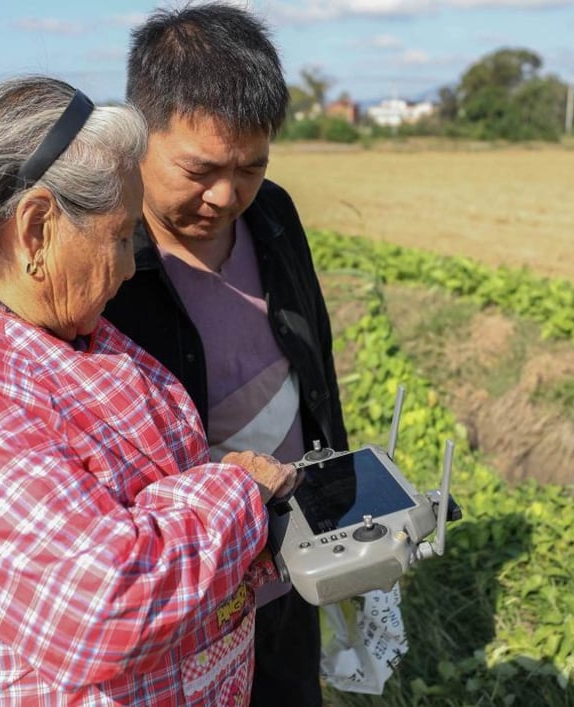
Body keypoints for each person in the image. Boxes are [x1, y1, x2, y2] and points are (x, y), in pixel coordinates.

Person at [0, 75, 299, 705]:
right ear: (36, 228)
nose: (129, 267)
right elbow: (100, 607)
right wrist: (240, 494)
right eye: (120, 237)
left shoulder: (60, 324)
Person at [102, 4, 348, 705]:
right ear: (139, 133)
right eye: (200, 169)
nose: (225, 195)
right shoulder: (104, 258)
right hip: (188, 582)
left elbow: (315, 359)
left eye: (250, 167)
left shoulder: (274, 214)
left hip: (290, 549)